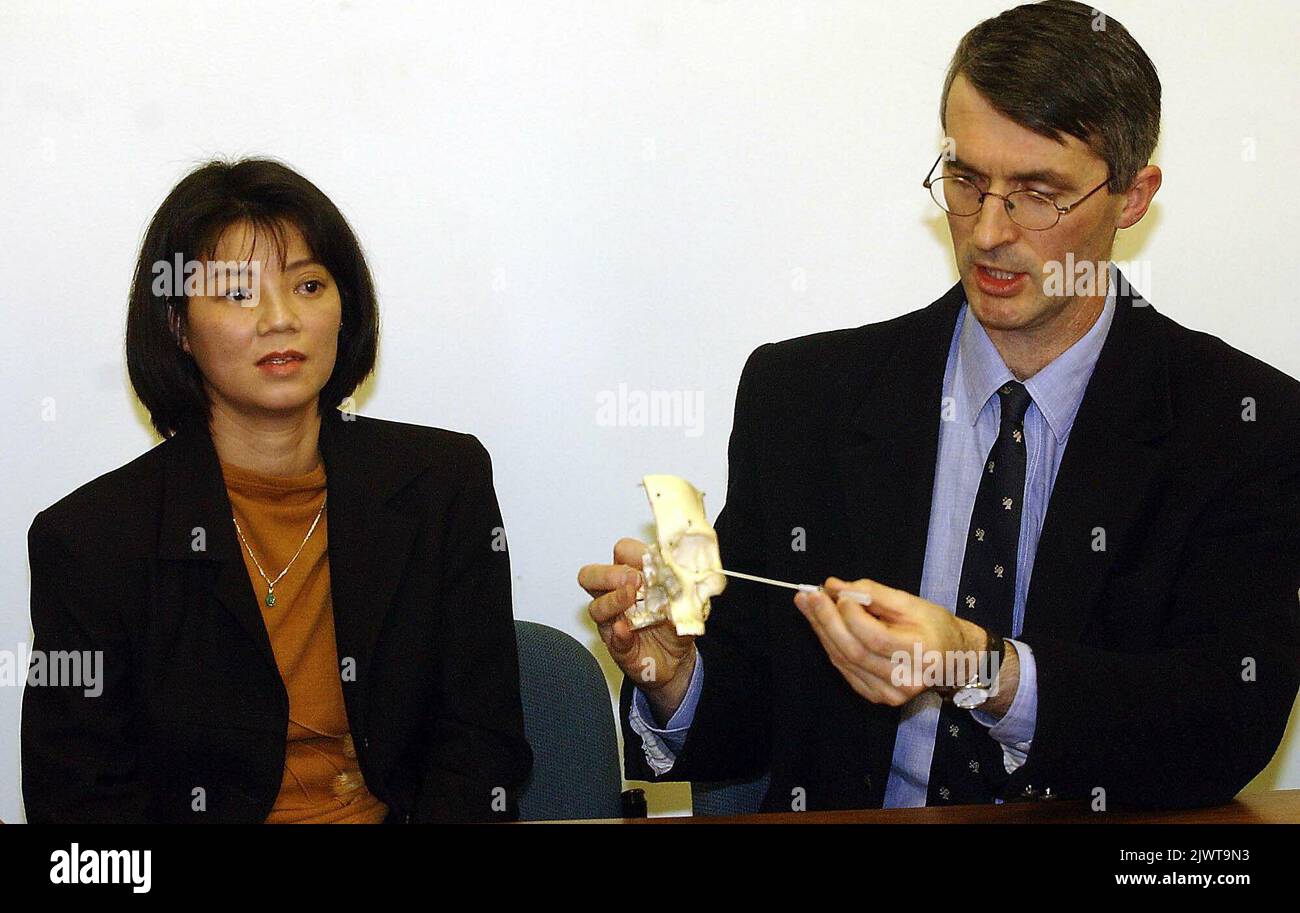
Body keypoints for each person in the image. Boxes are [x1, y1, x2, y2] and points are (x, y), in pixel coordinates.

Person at [580, 0, 1300, 811]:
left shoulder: (1246, 423)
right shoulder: (806, 397)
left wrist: (983, 667)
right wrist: (679, 678)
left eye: (1037, 193)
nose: (989, 232)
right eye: (965, 181)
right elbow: (759, 713)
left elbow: (1225, 723)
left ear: (1132, 197)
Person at [22, 158, 531, 823]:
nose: (280, 318)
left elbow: (482, 745)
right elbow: (79, 804)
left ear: (344, 308)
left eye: (309, 285)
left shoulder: (441, 483)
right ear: (178, 325)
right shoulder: (92, 540)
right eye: (237, 293)